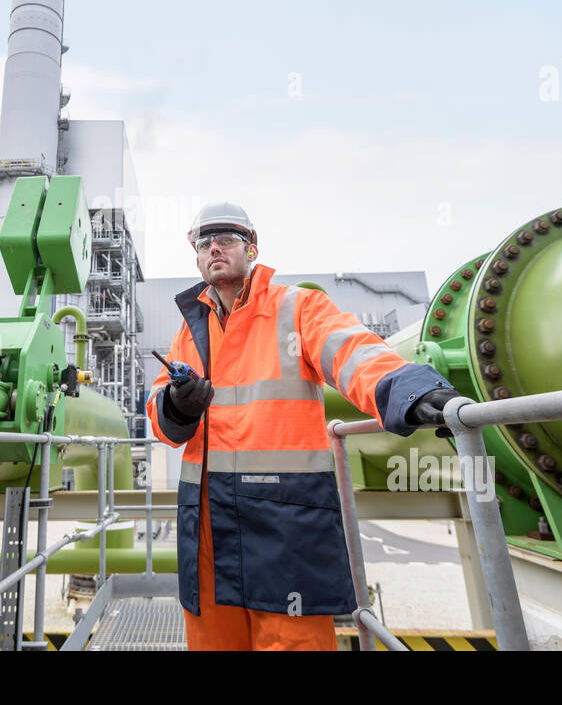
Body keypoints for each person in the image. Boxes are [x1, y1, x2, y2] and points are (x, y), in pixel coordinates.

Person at [146, 202, 457, 651]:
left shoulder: (297, 308)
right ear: (196, 257)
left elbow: (351, 351)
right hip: (207, 524)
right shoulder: (187, 332)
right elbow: (158, 416)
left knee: (293, 642)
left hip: (283, 517)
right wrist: (176, 405)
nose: (214, 248)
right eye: (203, 242)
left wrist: (409, 391)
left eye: (226, 239)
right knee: (212, 642)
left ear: (251, 248)